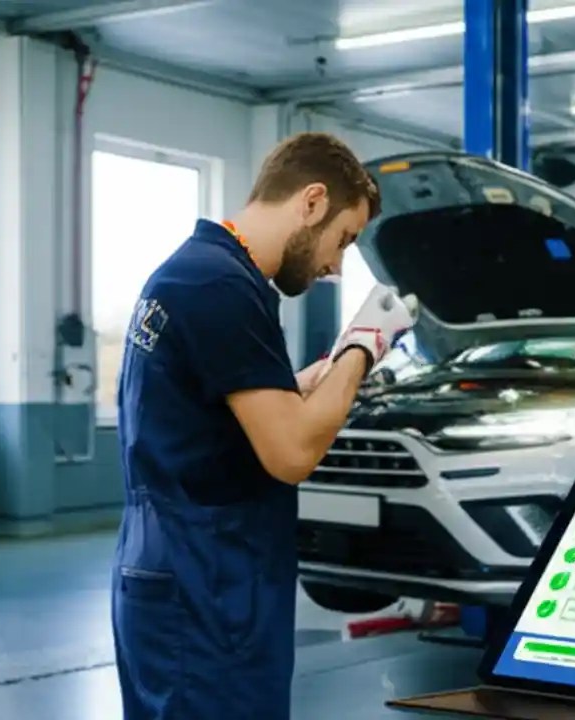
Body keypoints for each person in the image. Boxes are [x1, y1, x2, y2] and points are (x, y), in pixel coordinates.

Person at [110, 132, 416, 720]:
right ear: (312, 201)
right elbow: (293, 452)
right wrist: (363, 346)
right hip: (207, 585)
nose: (335, 266)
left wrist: (299, 385)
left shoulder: (194, 271)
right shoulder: (221, 287)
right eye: (343, 240)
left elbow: (208, 412)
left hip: (174, 567)